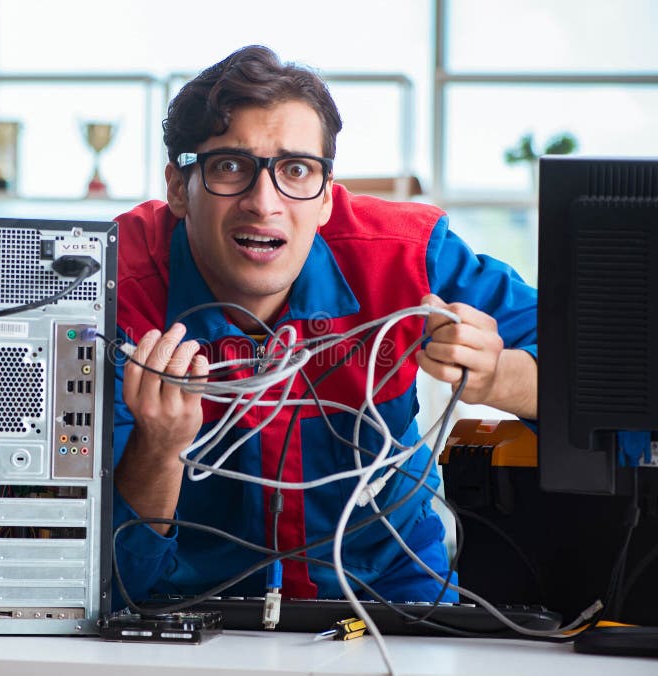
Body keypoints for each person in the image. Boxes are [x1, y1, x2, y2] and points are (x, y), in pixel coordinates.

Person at [111, 45, 537, 606]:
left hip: (396, 606)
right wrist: (159, 450)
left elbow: (608, 376)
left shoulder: (406, 257)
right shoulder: (109, 286)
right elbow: (111, 580)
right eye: (230, 167)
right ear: (177, 189)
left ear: (328, 196)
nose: (264, 204)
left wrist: (494, 376)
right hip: (188, 615)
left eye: (295, 170)